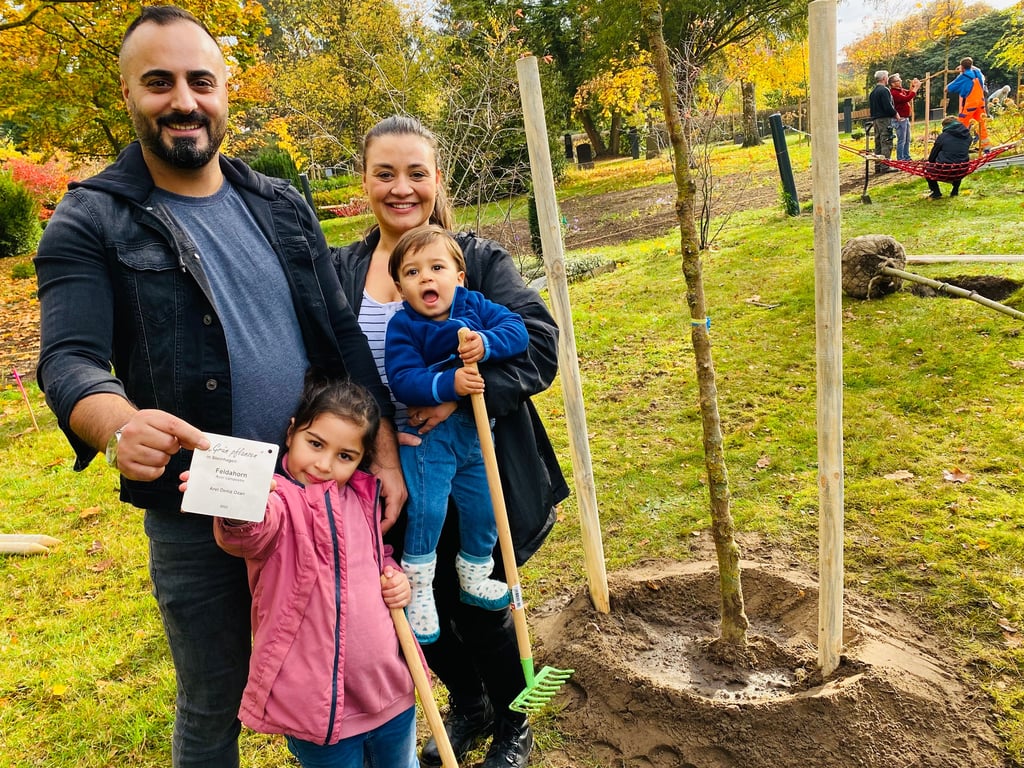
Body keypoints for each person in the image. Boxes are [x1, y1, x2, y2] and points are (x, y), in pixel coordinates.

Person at [33, 7, 406, 767]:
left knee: (351, 666)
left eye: (201, 81)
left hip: (317, 492)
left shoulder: (279, 204)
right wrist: (117, 424)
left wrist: (387, 457)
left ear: (225, 91)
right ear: (129, 96)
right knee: (213, 704)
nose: (184, 100)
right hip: (201, 508)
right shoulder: (92, 217)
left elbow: (341, 346)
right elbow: (69, 358)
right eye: (159, 82)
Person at [333, 115, 569, 768]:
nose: (401, 188)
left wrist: (464, 388)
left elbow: (540, 345)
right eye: (385, 173)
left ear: (437, 180)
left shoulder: (474, 261)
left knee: (478, 600)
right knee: (414, 603)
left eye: (416, 173)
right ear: (366, 182)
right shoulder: (340, 272)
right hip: (386, 474)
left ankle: (514, 719)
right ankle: (470, 706)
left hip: (473, 462)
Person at [182, 376, 417, 768]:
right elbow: (251, 534)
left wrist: (395, 578)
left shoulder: (362, 496)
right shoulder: (276, 498)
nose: (324, 465)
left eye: (346, 456)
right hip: (321, 712)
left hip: (387, 690)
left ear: (361, 460)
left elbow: (376, 556)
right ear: (292, 433)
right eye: (316, 443)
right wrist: (234, 501)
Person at [385, 225, 528, 643]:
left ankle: (476, 572)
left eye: (437, 267)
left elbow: (517, 331)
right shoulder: (405, 327)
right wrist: (450, 385)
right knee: (428, 512)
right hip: (431, 441)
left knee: (485, 507)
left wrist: (485, 344)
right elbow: (404, 380)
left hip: (477, 436)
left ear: (459, 276)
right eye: (412, 273)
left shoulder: (477, 307)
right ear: (400, 288)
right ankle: (419, 588)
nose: (426, 278)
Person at [948, 57, 991, 153]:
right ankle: (987, 148)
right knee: (981, 125)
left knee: (962, 126)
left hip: (970, 105)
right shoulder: (978, 74)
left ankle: (958, 148)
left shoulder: (964, 77)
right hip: (981, 104)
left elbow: (950, 88)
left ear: (962, 67)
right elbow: (977, 69)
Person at [925, 115, 971, 199]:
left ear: (946, 126)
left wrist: (930, 162)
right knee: (958, 163)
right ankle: (955, 190)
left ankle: (936, 192)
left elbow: (932, 156)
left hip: (944, 169)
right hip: (962, 168)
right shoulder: (968, 136)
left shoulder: (943, 136)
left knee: (927, 169)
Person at [869, 69, 897, 173]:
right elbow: (888, 106)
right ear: (884, 78)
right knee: (886, 141)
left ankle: (878, 166)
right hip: (884, 119)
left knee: (878, 143)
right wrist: (895, 114)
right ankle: (885, 166)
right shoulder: (884, 90)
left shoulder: (873, 92)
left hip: (875, 120)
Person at [888, 73, 921, 161]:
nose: (900, 81)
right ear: (893, 84)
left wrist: (913, 86)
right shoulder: (894, 93)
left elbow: (910, 93)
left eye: (900, 80)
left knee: (907, 139)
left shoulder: (900, 90)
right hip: (900, 119)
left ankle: (906, 157)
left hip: (905, 118)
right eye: (898, 80)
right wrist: (916, 88)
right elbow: (906, 98)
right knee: (901, 140)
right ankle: (901, 158)